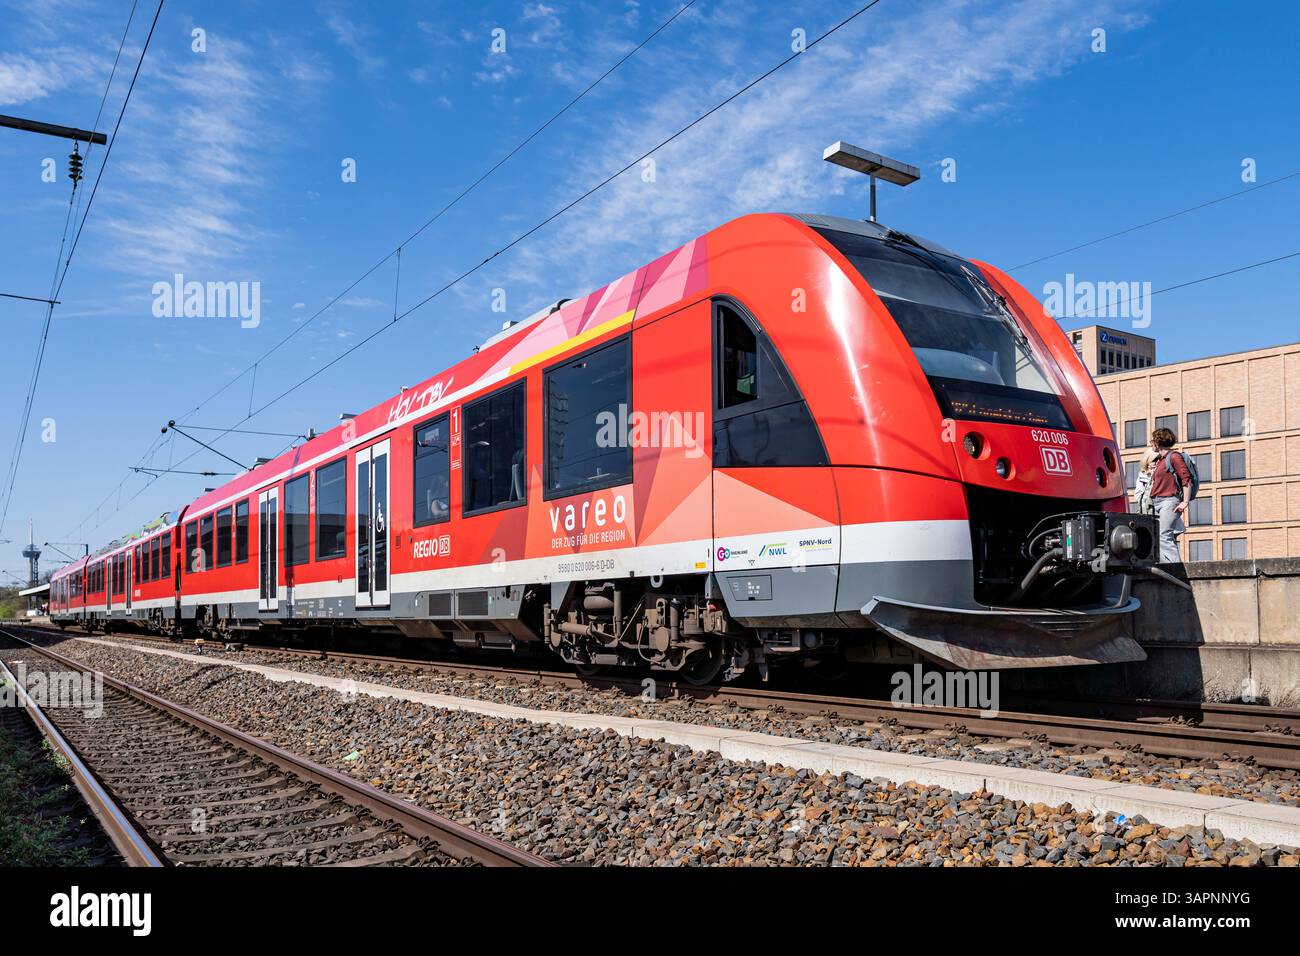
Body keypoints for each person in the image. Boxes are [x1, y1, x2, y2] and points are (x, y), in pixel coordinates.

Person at [1148, 427, 1192, 563]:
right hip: (1158, 502)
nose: (1150, 444)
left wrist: (1185, 501)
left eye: (1152, 441)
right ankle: (1167, 567)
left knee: (1164, 535)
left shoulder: (1174, 456)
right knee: (1158, 537)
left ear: (1158, 442)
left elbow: (1186, 479)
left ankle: (1176, 571)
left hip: (1169, 501)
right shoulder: (1161, 460)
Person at [1132, 448, 1157, 516]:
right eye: (1153, 460)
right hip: (1146, 512)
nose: (1155, 463)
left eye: (1157, 460)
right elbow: (1138, 496)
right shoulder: (1141, 477)